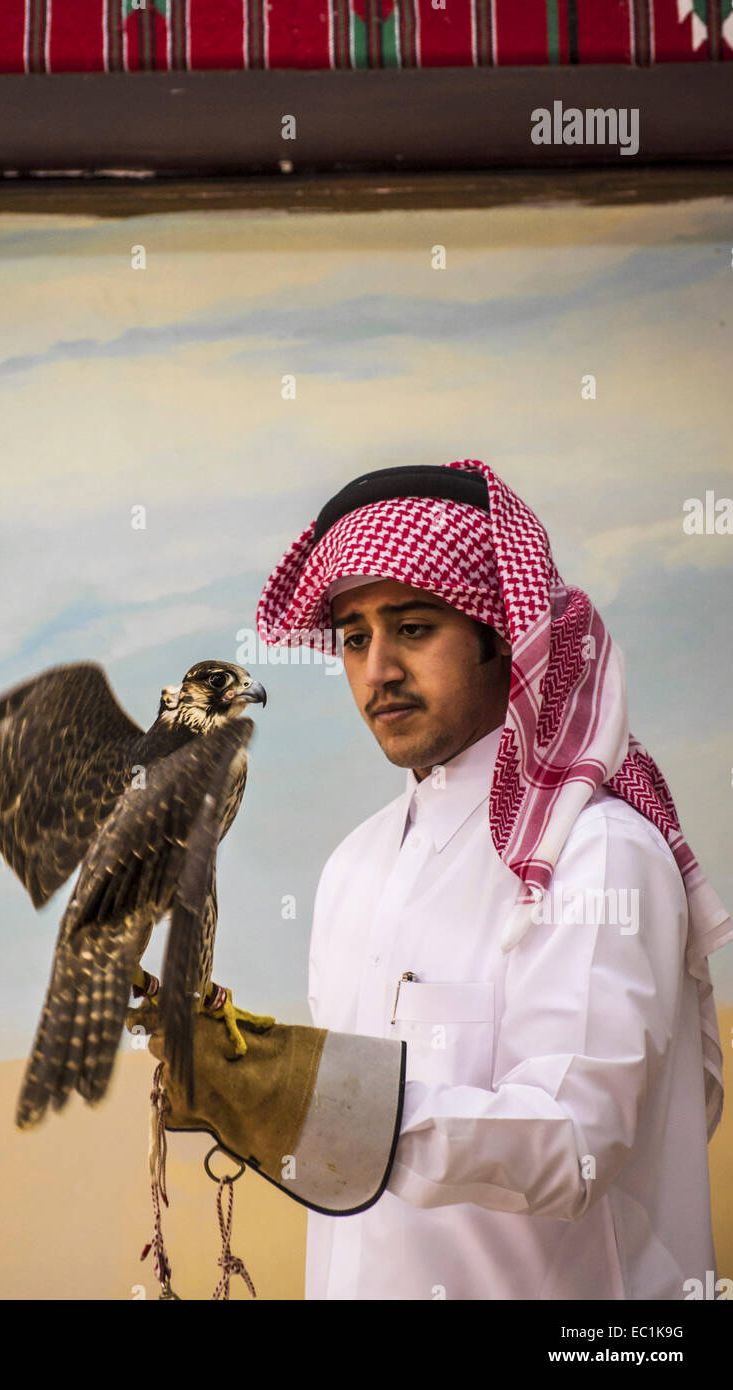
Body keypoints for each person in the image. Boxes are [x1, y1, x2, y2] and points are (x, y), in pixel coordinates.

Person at [130, 459, 731, 1301]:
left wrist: (316, 1099)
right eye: (353, 638)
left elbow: (572, 1145)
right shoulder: (351, 869)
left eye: (411, 629)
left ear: (502, 635)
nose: (377, 669)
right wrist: (261, 1096)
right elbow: (357, 1183)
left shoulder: (597, 854)